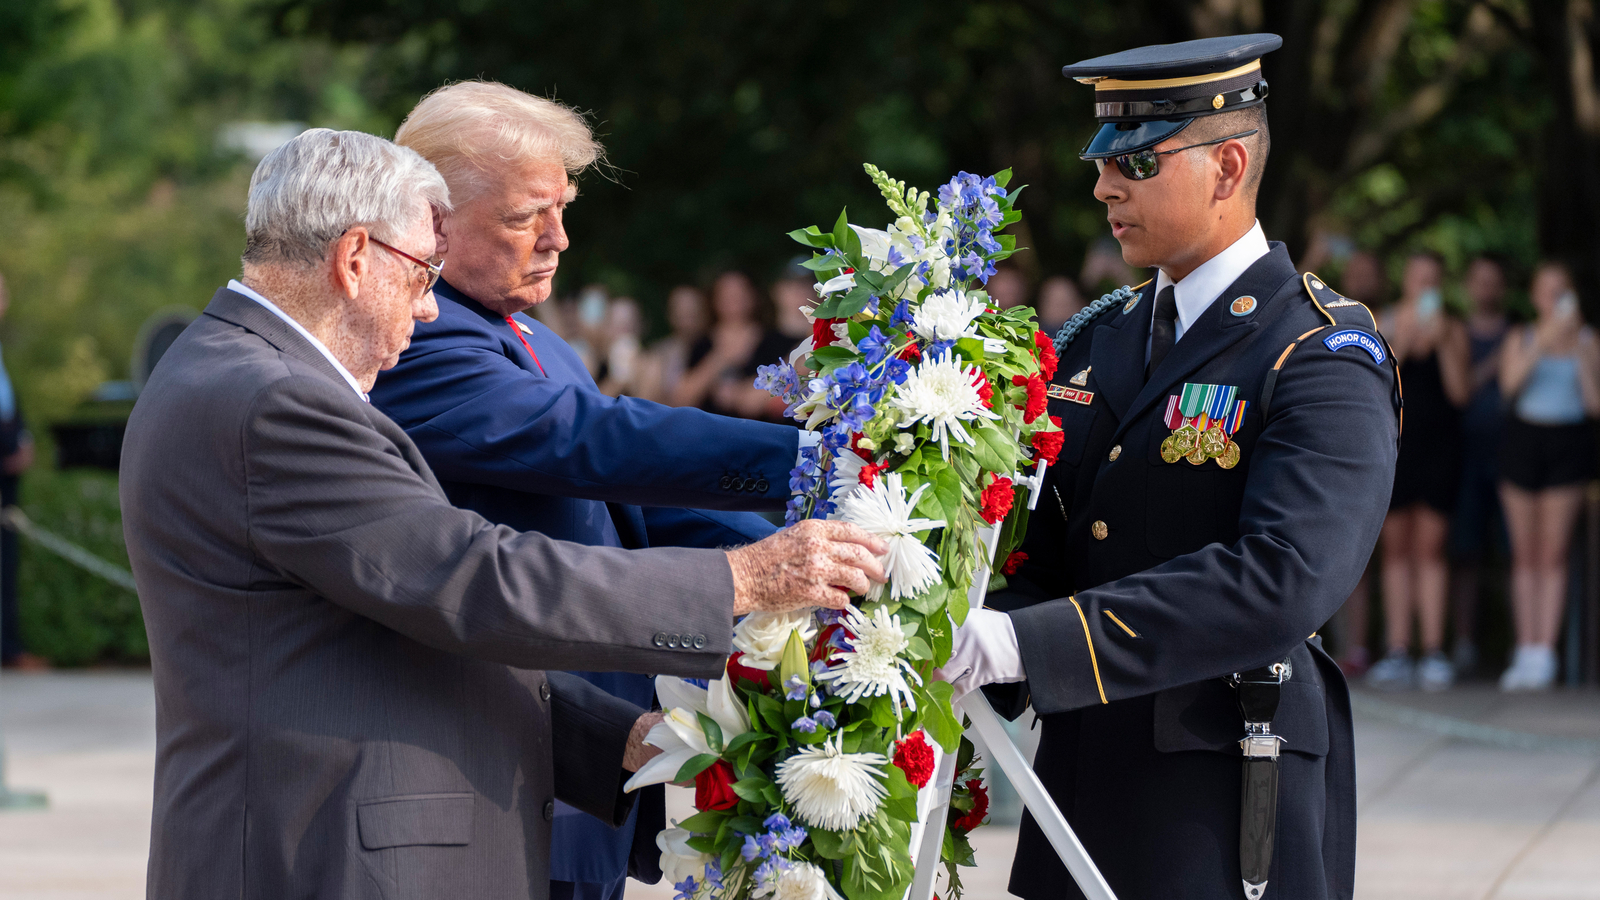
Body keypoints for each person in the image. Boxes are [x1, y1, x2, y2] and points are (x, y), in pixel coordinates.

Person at [119, 128, 887, 900]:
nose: (428, 307)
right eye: (423, 272)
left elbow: (392, 623)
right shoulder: (276, 401)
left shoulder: (246, 374)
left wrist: (619, 738)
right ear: (354, 258)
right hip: (321, 860)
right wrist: (740, 580)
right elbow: (472, 577)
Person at [938, 34, 1398, 900]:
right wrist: (935, 628)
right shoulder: (1099, 339)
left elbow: (1283, 577)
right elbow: (1049, 548)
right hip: (1080, 779)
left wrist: (1028, 643)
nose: (1106, 186)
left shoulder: (1317, 352)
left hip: (1221, 788)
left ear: (1228, 166)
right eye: (1104, 163)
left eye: (1139, 162)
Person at [372, 82, 820, 900]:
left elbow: (641, 513)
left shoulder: (532, 335)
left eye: (563, 208)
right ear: (433, 219)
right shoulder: (421, 342)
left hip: (587, 773)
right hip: (504, 775)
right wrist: (815, 458)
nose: (559, 238)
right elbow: (597, 441)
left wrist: (814, 554)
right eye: (526, 217)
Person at [1368, 252, 1471, 691]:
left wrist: (1443, 341)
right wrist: (1406, 339)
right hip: (1396, 447)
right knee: (1395, 550)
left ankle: (1432, 650)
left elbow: (1460, 394)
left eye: (1432, 279)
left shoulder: (1454, 329)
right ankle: (1397, 649)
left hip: (1439, 450)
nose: (1425, 286)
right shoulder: (1383, 322)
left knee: (1430, 549)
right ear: (1405, 281)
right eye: (1418, 278)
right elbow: (1379, 386)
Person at [1496, 261, 1600, 690]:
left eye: (1562, 290)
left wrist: (1576, 346)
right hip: (1524, 441)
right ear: (1535, 296)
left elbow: (1594, 404)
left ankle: (1545, 650)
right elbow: (1509, 389)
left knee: (1552, 554)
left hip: (1568, 442)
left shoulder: (1589, 339)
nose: (1554, 298)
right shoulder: (1521, 336)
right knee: (1525, 554)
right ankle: (1525, 647)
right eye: (1547, 290)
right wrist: (1543, 340)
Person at [1449, 254, 1512, 675]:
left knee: (1512, 553)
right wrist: (1501, 359)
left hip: (1509, 454)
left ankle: (1517, 645)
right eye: (1479, 281)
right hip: (1464, 454)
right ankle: (1463, 643)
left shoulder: (1518, 332)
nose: (1486, 289)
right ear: (1468, 286)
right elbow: (1462, 389)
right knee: (1464, 553)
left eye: (1493, 281)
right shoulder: (1457, 332)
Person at [1331, 250, 1388, 676]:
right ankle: (1346, 648)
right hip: (1338, 453)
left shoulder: (1392, 321)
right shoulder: (1324, 321)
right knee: (1342, 558)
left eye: (1367, 272)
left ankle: (1385, 649)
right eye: (1354, 271)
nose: (1359, 279)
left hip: (1387, 451)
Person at [673, 271, 791, 417]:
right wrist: (719, 359)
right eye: (727, 294)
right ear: (714, 300)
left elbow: (787, 390)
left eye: (741, 292)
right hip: (713, 427)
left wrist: (740, 394)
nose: (735, 299)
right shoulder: (701, 343)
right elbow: (681, 400)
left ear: (754, 296)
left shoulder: (775, 341)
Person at [0, 270, 40, 671]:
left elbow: (11, 408)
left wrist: (23, 442)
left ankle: (9, 648)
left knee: (6, 567)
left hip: (9, 483)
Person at [637, 285, 709, 405]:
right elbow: (645, 402)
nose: (686, 321)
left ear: (705, 314)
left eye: (692, 313)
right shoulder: (656, 353)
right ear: (670, 315)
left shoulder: (715, 347)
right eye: (681, 312)